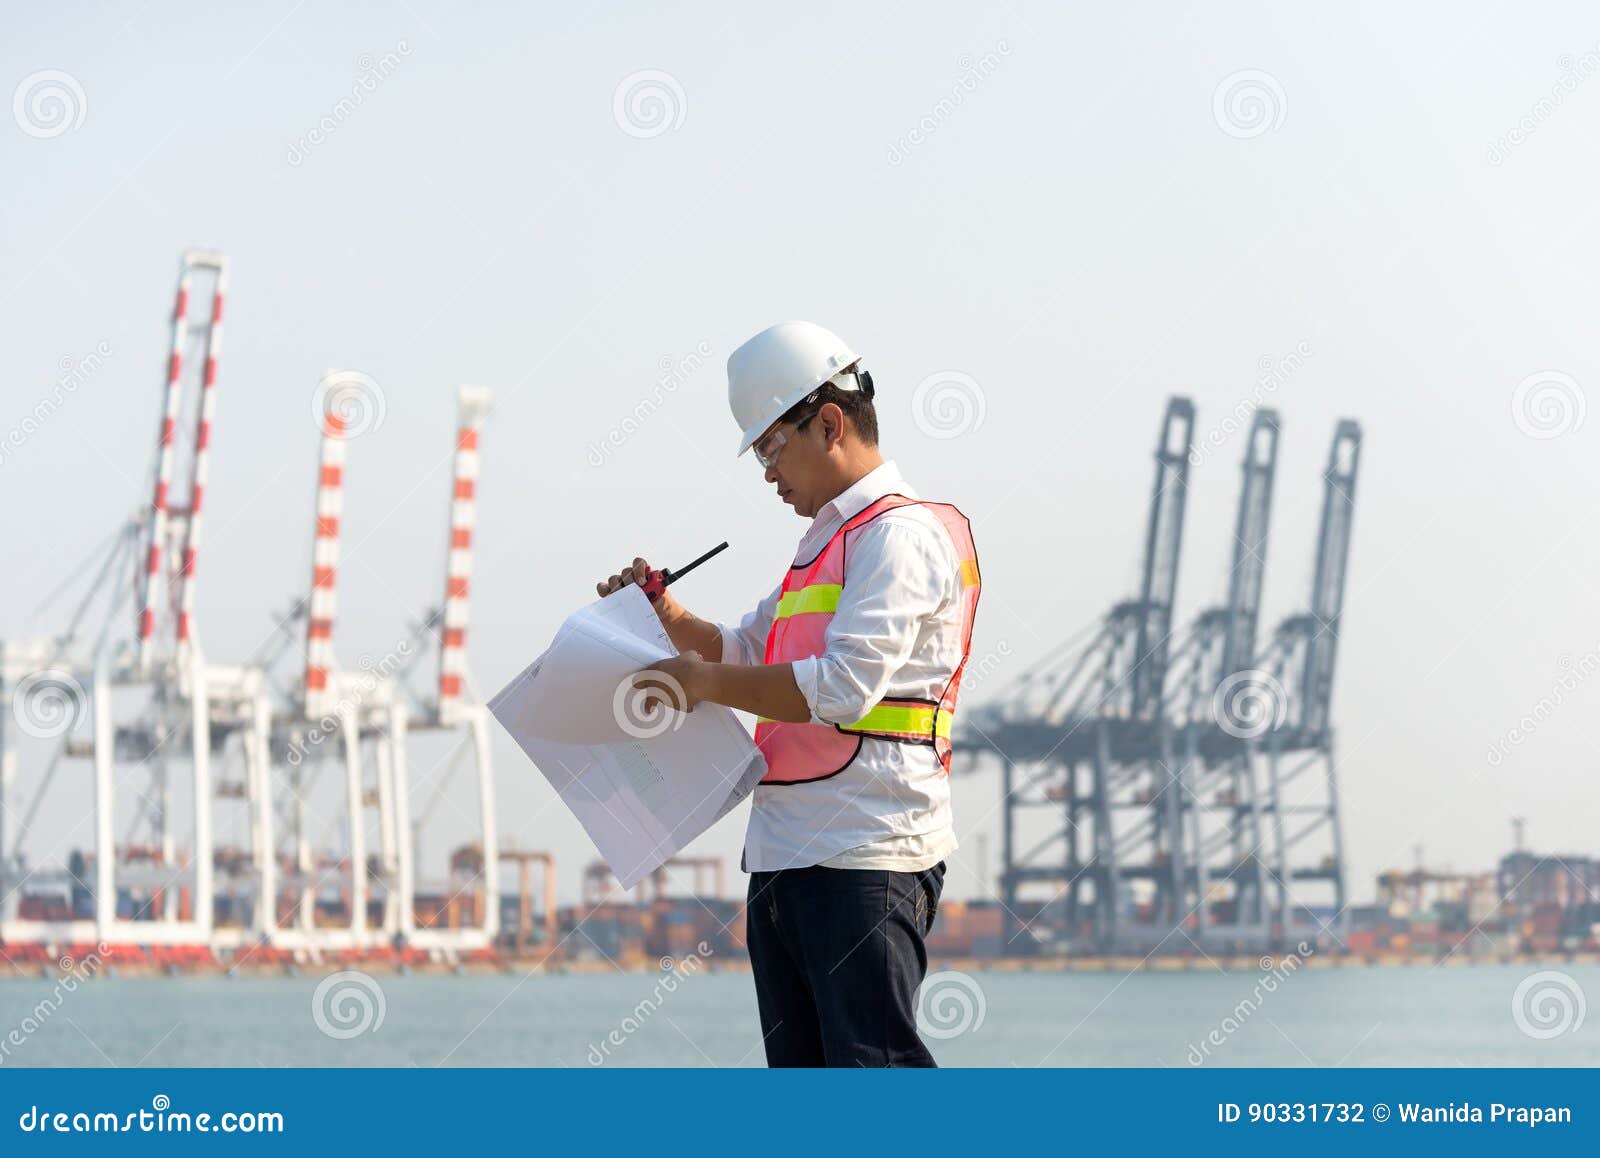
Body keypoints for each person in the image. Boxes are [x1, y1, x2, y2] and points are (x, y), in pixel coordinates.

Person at [595, 321, 981, 1067]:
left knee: (875, 1073)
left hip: (866, 850)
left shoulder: (896, 538)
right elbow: (745, 652)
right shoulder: (826, 546)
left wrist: (705, 682)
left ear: (829, 422)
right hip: (790, 852)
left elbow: (842, 685)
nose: (768, 473)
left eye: (771, 447)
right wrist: (666, 617)